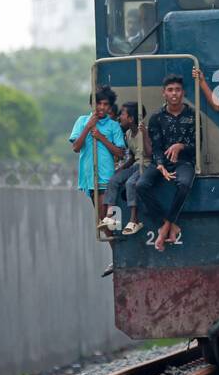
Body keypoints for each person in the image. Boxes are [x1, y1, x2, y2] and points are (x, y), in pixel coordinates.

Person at [136, 74, 197, 251]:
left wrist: (180, 146)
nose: (174, 94)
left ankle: (166, 227)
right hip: (161, 163)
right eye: (170, 90)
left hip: (184, 163)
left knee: (184, 184)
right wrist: (160, 165)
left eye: (177, 90)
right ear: (164, 93)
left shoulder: (193, 116)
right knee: (141, 185)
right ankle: (165, 223)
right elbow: (156, 147)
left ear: (183, 92)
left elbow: (196, 147)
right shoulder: (156, 118)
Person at [69, 86, 127, 225]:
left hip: (106, 177)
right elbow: (76, 147)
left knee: (106, 222)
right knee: (103, 222)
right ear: (92, 104)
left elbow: (120, 153)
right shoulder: (82, 121)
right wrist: (88, 127)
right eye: (98, 103)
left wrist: (101, 137)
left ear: (110, 107)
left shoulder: (113, 126)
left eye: (105, 104)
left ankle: (118, 244)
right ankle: (116, 244)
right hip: (90, 177)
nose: (101, 107)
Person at [101, 101, 146, 235]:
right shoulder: (127, 134)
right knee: (114, 179)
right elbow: (132, 156)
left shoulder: (143, 133)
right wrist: (121, 169)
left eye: (123, 114)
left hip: (146, 165)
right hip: (135, 164)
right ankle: (110, 216)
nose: (119, 117)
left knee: (130, 183)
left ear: (131, 118)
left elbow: (149, 154)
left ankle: (134, 219)